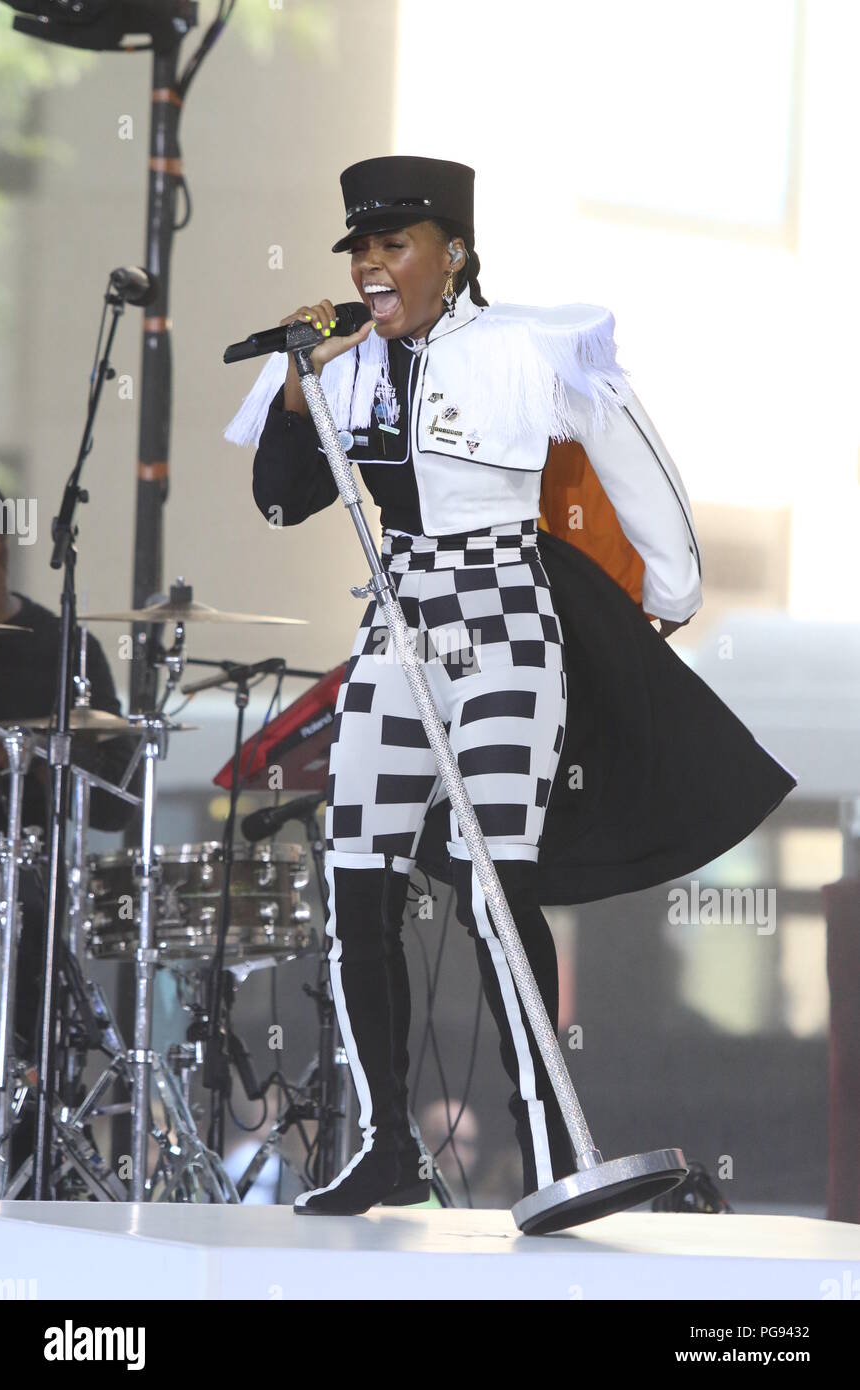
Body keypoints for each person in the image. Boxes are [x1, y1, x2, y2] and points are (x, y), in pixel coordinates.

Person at [227, 156, 795, 1217]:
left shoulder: (528, 346)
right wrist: (301, 383)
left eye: (393, 244)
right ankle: (384, 1144)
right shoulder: (340, 364)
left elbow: (633, 456)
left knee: (496, 882)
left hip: (501, 622)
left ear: (453, 252)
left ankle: (544, 1149)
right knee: (356, 880)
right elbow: (278, 501)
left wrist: (670, 584)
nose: (370, 265)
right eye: (359, 247)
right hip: (394, 622)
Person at [0, 482, 138, 1174]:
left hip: (31, 904)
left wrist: (38, 752)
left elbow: (114, 800)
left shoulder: (63, 648)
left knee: (31, 1042)